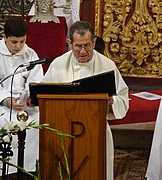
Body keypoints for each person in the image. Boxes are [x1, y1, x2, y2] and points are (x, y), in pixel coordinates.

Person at [41, 21, 129, 180]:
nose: (83, 51)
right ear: (70, 43)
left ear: (94, 42)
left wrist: (112, 102)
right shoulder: (58, 64)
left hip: (96, 131)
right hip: (62, 130)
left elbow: (123, 97)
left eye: (87, 46)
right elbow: (43, 94)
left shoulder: (107, 65)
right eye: (78, 46)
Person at [0, 18, 44, 176]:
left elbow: (36, 81)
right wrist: (7, 101)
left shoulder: (31, 54)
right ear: (5, 37)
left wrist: (29, 98)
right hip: (0, 103)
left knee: (37, 123)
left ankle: (29, 170)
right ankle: (4, 172)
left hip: (24, 106)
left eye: (22, 41)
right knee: (3, 124)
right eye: (14, 42)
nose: (19, 46)